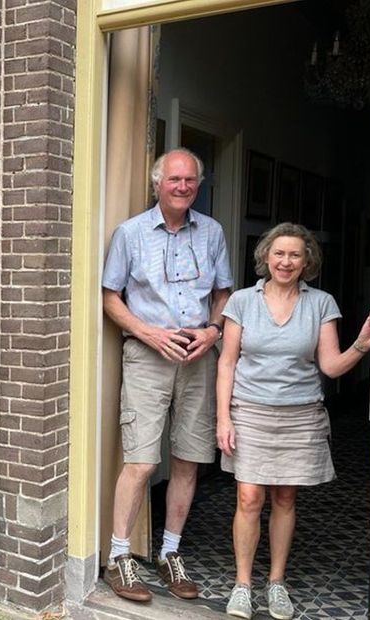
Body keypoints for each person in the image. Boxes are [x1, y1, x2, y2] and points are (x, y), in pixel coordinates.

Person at [215, 223, 370, 619]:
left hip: (301, 413)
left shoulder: (321, 303)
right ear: (266, 258)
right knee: (249, 497)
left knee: (285, 498)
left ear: (307, 262)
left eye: (295, 255)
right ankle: (241, 585)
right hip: (249, 410)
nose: (286, 262)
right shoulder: (241, 301)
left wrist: (361, 345)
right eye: (279, 254)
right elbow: (227, 362)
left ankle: (276, 582)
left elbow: (330, 365)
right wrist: (223, 417)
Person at [101, 148, 234, 602]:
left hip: (198, 359)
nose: (182, 187)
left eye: (190, 180)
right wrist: (148, 333)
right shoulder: (131, 233)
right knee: (140, 460)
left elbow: (222, 292)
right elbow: (110, 296)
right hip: (148, 356)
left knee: (188, 458)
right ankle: (120, 556)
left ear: (198, 185)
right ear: (157, 183)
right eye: (174, 179)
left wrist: (213, 331)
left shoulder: (212, 232)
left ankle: (170, 553)